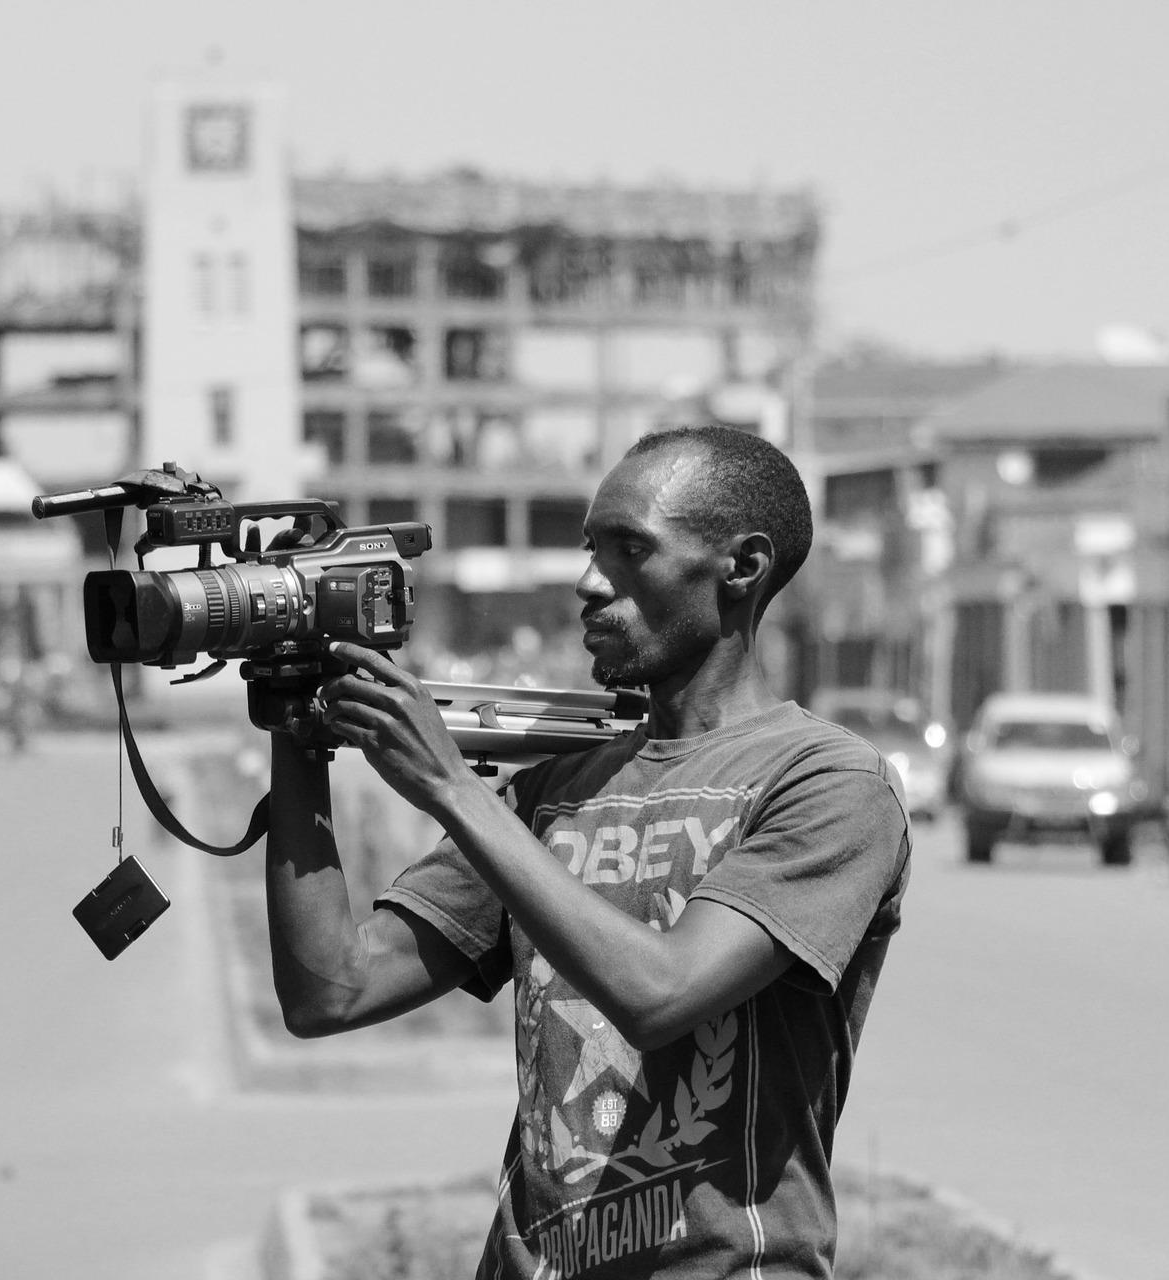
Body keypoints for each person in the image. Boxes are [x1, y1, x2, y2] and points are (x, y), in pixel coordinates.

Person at [265, 426, 912, 1279]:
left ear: (742, 568)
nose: (588, 583)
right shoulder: (550, 790)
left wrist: (452, 790)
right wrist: (295, 729)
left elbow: (663, 990)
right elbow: (331, 990)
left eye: (630, 550)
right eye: (589, 549)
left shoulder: (826, 783)